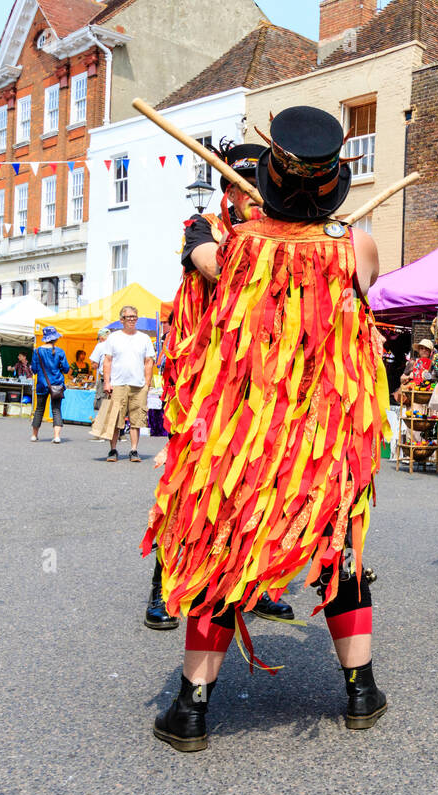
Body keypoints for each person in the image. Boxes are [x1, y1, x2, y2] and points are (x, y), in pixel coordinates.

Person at [142, 105, 389, 751]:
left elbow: (211, 281)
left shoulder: (239, 246)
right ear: (333, 179)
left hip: (247, 436)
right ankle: (360, 690)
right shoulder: (358, 243)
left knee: (221, 552)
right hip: (329, 437)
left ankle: (193, 708)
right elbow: (359, 302)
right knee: (337, 551)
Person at [143, 139, 291, 630]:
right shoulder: (203, 228)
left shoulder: (285, 234)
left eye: (264, 187)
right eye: (247, 186)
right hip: (207, 386)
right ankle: (166, 585)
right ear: (230, 190)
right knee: (189, 483)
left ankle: (258, 584)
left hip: (265, 384)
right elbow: (213, 266)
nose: (256, 196)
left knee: (264, 483)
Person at [94, 306, 155, 462]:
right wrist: (107, 382)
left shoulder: (144, 338)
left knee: (137, 419)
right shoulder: (114, 338)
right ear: (122, 320)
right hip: (118, 383)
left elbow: (149, 362)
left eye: (134, 317)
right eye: (129, 317)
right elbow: (107, 361)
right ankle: (113, 450)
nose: (132, 320)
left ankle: (134, 450)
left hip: (138, 384)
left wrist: (147, 384)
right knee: (114, 418)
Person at [30, 325, 69, 444]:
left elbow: (34, 369)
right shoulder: (60, 351)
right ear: (55, 338)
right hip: (57, 384)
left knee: (39, 409)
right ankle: (56, 436)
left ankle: (34, 435)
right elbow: (66, 369)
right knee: (56, 409)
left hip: (42, 383)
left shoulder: (37, 351)